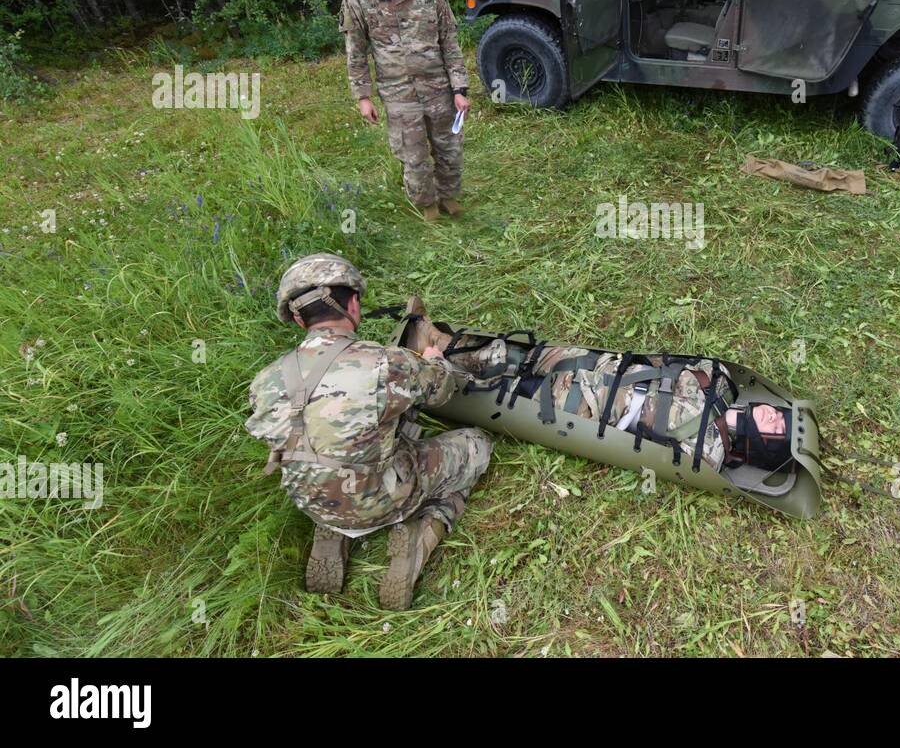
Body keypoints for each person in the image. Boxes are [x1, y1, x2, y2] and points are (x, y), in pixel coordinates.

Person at [246, 254, 493, 608]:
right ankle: (419, 536)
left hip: (312, 499)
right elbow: (443, 391)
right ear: (354, 304)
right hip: (381, 498)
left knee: (363, 437)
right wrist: (434, 358)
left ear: (299, 319)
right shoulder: (386, 363)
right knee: (476, 446)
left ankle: (333, 529)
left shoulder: (266, 380)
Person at [411, 321, 792, 473]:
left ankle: (428, 372)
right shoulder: (722, 387)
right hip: (605, 369)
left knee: (507, 390)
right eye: (780, 416)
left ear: (761, 444)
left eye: (777, 427)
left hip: (589, 407)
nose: (775, 416)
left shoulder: (709, 453)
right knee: (517, 355)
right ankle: (443, 344)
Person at [339, 0, 471, 220]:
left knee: (449, 147)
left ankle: (449, 196)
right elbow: (356, 50)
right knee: (414, 155)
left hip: (438, 88)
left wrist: (460, 88)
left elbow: (449, 42)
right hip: (398, 92)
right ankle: (427, 205)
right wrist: (363, 96)